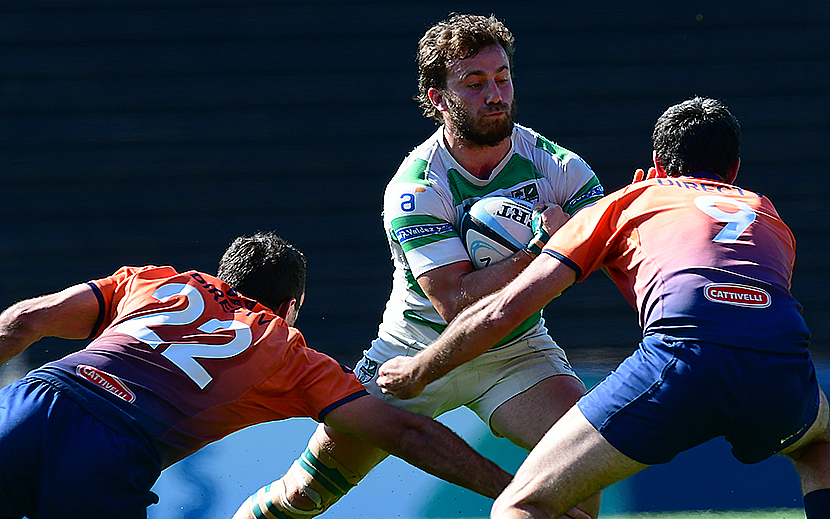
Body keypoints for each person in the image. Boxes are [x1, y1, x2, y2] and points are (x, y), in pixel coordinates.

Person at [377, 96, 830, 519]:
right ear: (734, 169)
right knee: (820, 444)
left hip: (681, 360)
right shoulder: (767, 214)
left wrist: (419, 371)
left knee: (521, 506)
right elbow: (747, 313)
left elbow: (503, 310)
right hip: (782, 362)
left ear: (656, 165)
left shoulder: (628, 202)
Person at [236, 12, 605, 519]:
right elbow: (456, 301)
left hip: (515, 352)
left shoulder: (559, 167)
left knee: (584, 465)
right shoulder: (415, 186)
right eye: (474, 83)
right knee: (303, 496)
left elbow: (607, 247)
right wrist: (548, 248)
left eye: (502, 78)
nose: (494, 94)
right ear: (436, 98)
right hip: (412, 352)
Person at [0, 231, 513, 518]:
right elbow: (408, 431)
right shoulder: (287, 353)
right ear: (291, 307)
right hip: (111, 449)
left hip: (33, 398)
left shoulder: (152, 282)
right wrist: (516, 491)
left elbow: (22, 321)